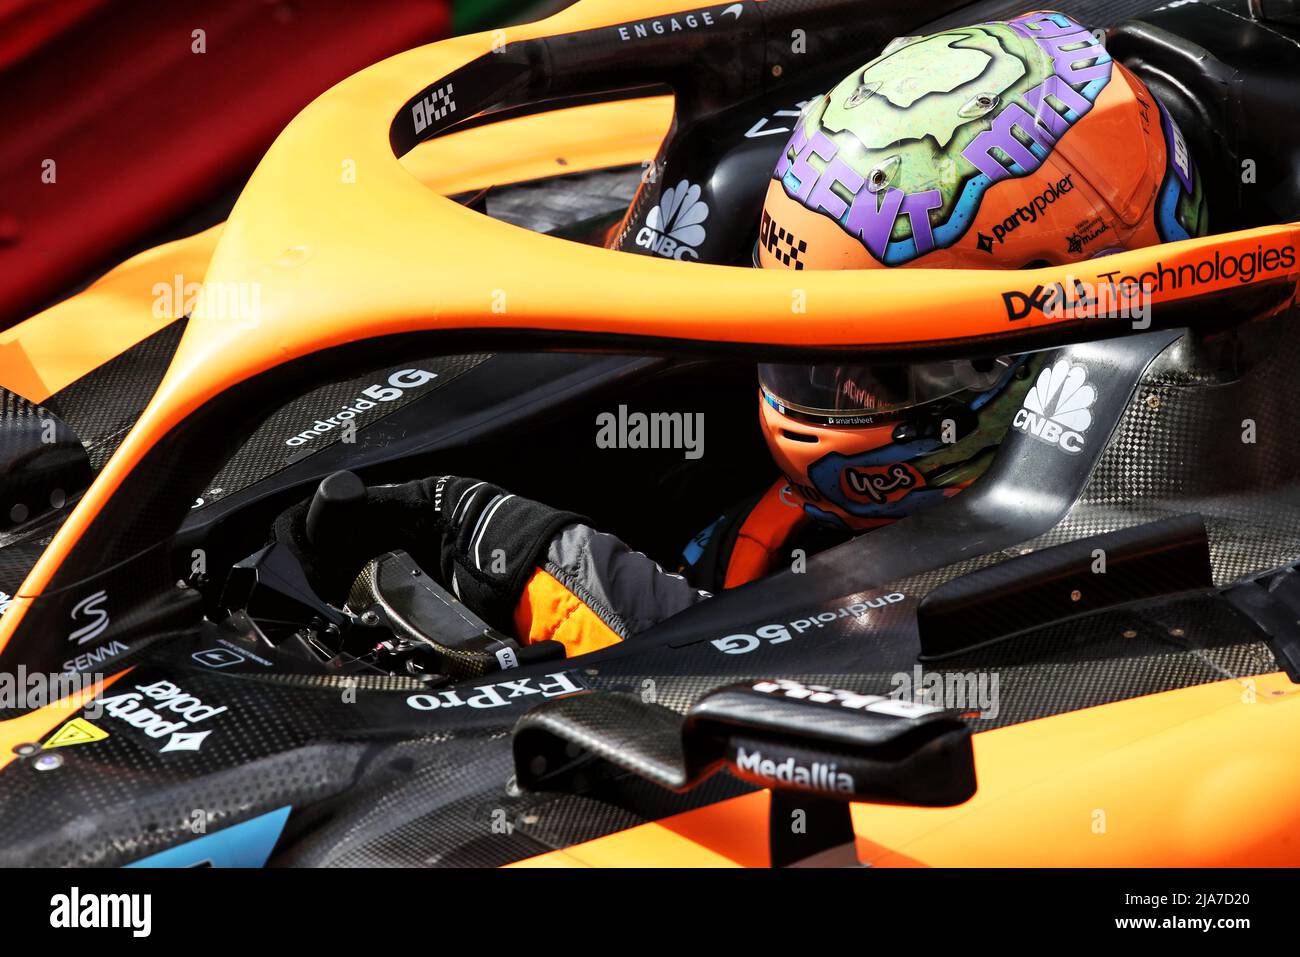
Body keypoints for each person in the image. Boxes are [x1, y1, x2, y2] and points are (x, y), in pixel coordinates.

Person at [275, 10, 1207, 658]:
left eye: (879, 370)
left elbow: (808, 689)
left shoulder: (1145, 572)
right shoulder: (780, 524)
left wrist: (517, 549)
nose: (824, 405)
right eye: (809, 351)